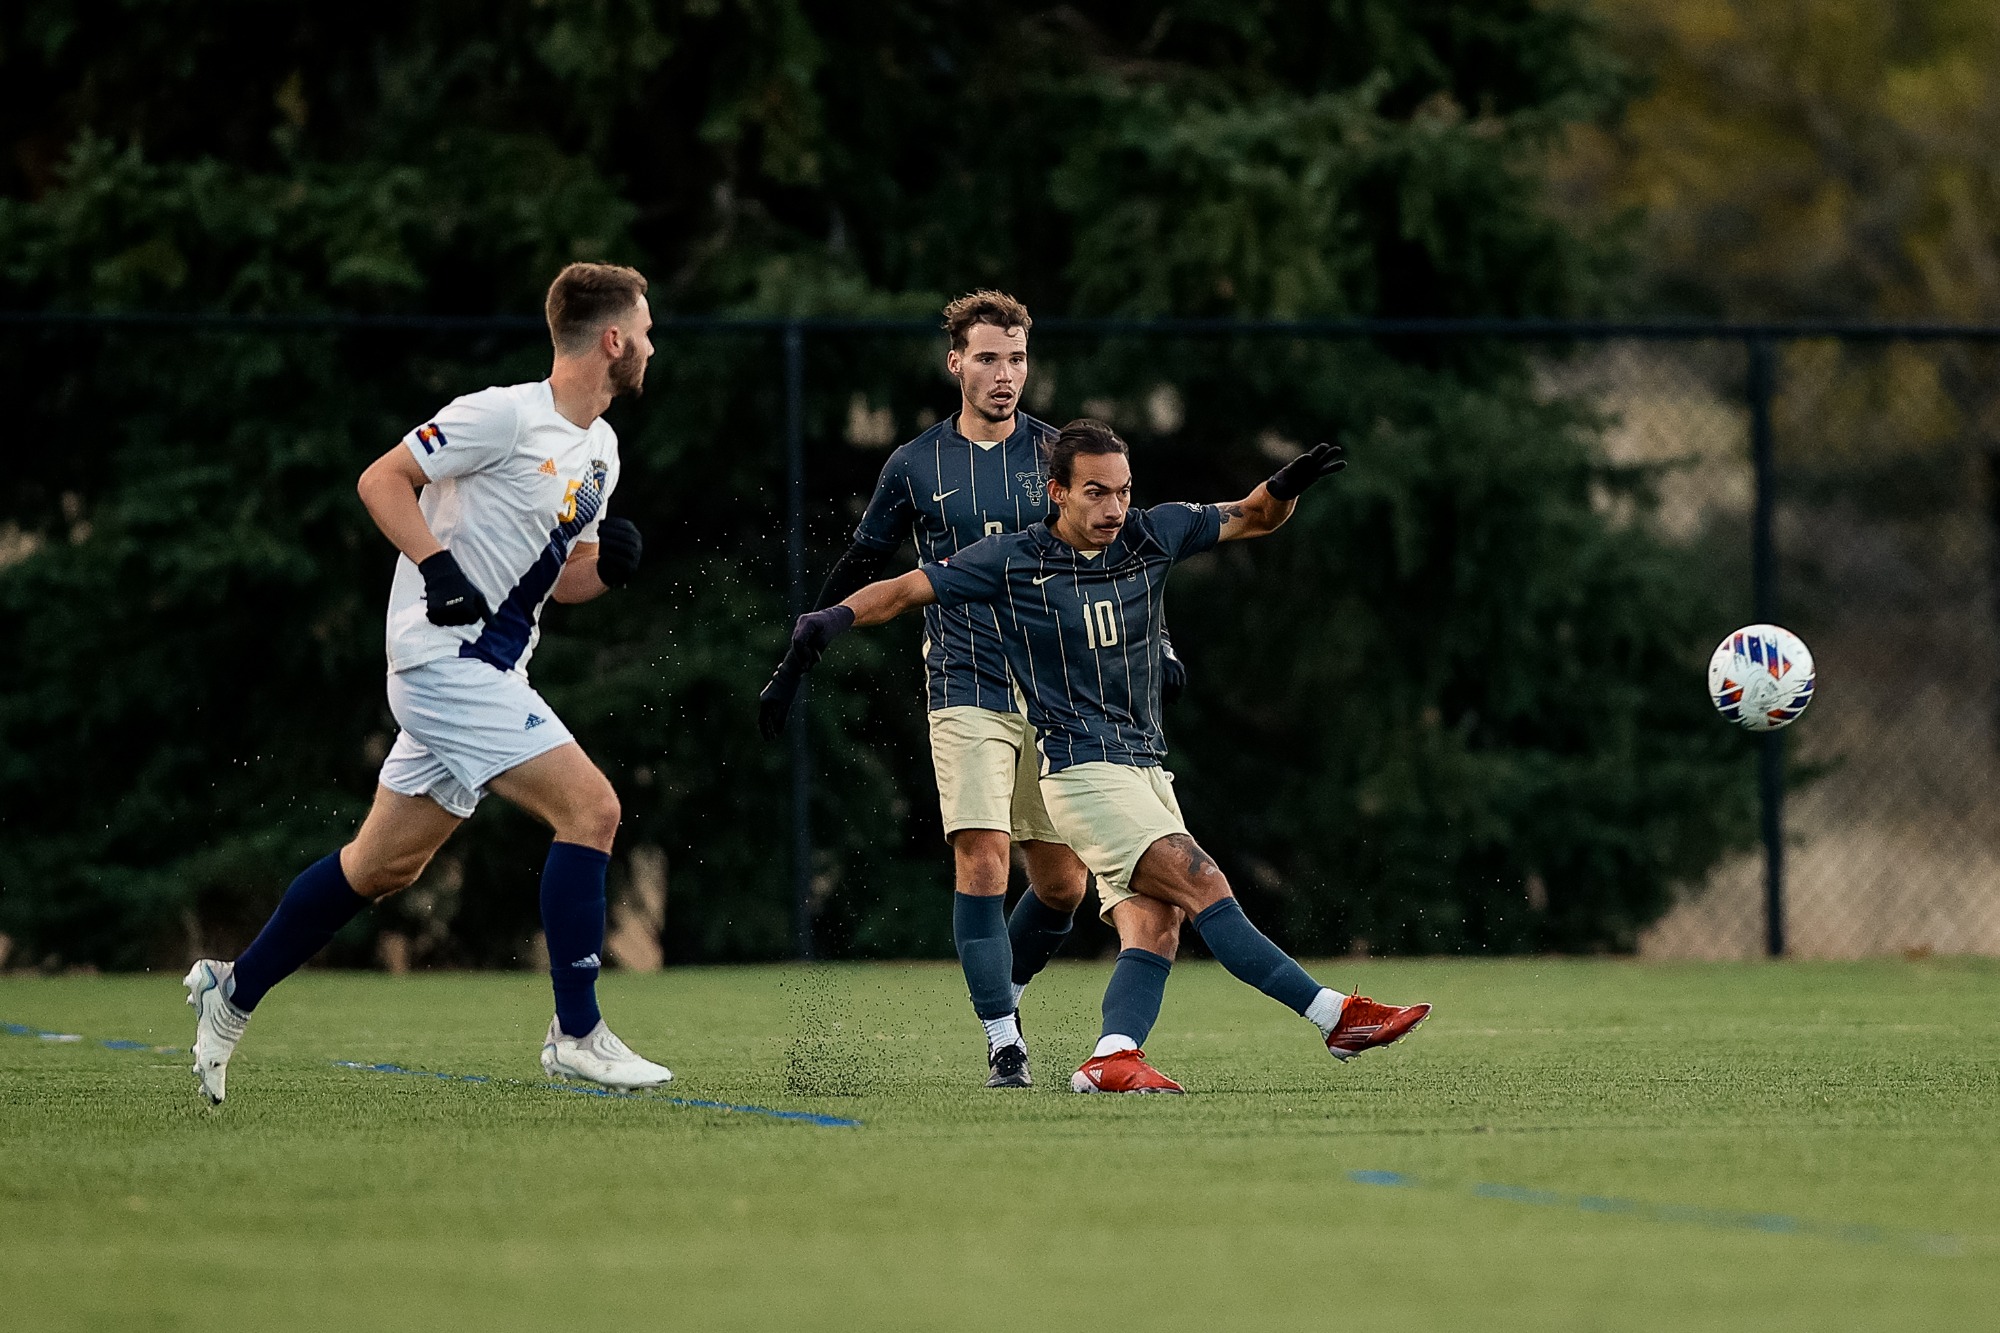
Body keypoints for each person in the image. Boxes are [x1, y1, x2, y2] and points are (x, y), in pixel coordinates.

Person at [762, 418, 1431, 1092]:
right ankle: (1333, 1015)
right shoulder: (1015, 559)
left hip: (1144, 765)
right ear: (1056, 491)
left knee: (1157, 920)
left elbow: (1255, 515)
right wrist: (832, 619)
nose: (1114, 507)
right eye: (1095, 492)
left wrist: (1285, 487)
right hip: (1082, 771)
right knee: (1203, 884)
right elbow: (908, 589)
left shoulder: (1151, 532)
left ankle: (1111, 1054)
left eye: (1122, 490)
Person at [182, 262, 671, 1103]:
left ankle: (234, 991)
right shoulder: (501, 414)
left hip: (493, 669)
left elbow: (567, 575)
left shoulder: (602, 448)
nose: (654, 345)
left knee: (381, 866)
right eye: (648, 330)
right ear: (614, 340)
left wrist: (607, 569)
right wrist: (435, 563)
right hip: (442, 664)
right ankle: (577, 1033)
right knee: (592, 808)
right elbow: (382, 479)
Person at [759, 291, 1185, 1088]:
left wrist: (1158, 643)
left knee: (1061, 884)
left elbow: (1126, 556)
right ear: (954, 361)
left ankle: (1005, 993)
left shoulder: (1061, 456)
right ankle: (1004, 1042)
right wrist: (797, 659)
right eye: (988, 357)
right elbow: (863, 567)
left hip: (1058, 693)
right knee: (983, 860)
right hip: (964, 681)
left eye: (1017, 358)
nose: (1005, 374)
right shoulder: (915, 464)